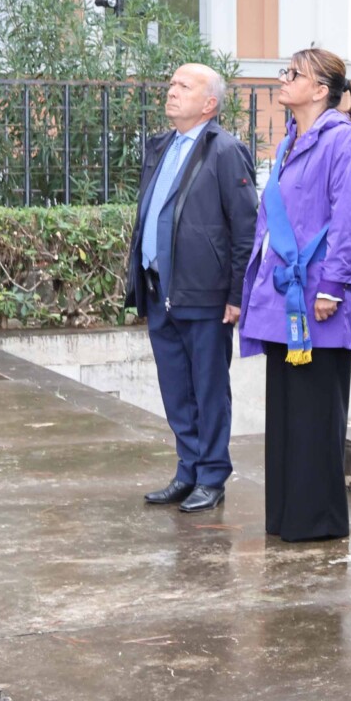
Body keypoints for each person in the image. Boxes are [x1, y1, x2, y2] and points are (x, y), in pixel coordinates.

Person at [239, 48, 351, 542]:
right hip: (284, 296)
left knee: (315, 415)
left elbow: (348, 221)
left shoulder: (344, 142)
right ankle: (286, 517)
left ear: (320, 90)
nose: (283, 79)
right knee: (286, 414)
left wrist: (333, 287)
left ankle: (317, 520)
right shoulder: (291, 141)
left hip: (319, 298)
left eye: (293, 74)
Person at [125, 63, 257, 513]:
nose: (172, 91)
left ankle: (212, 475)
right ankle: (188, 470)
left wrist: (237, 295)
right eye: (171, 84)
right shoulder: (161, 145)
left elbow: (245, 228)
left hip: (205, 293)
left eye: (184, 85)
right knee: (176, 387)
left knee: (208, 387)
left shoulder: (225, 150)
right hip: (160, 287)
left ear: (209, 103)